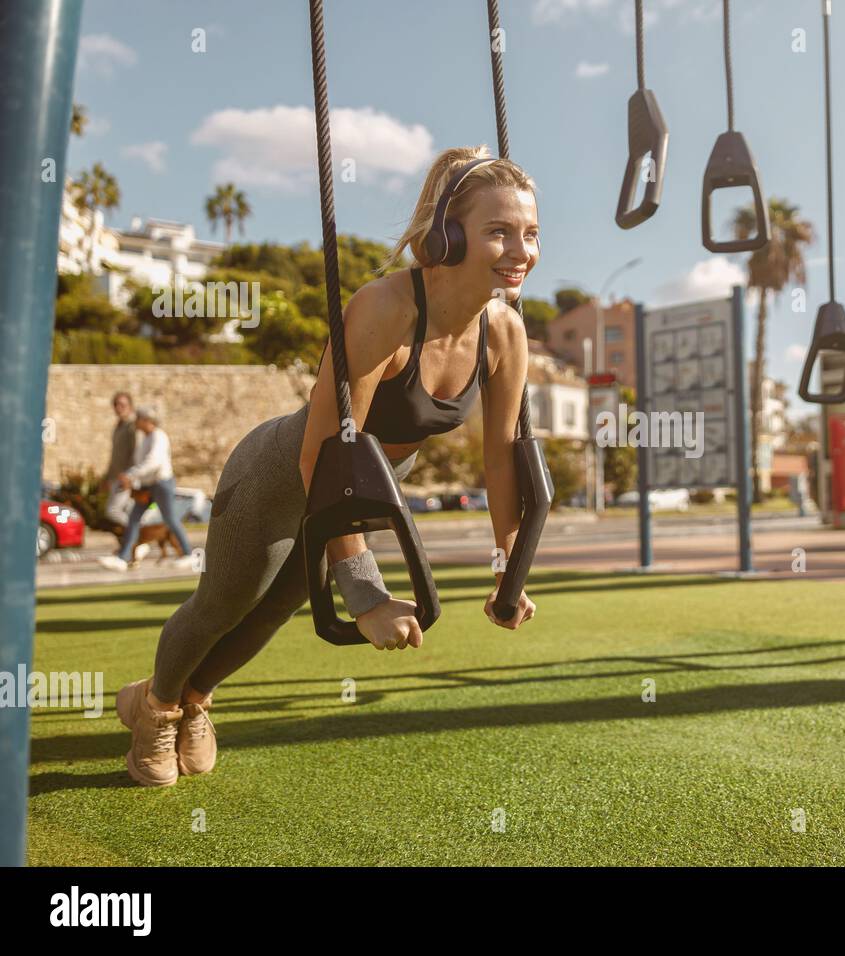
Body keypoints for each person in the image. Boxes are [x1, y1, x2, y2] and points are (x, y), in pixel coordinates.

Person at [115, 146, 540, 786]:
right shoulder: (386, 308)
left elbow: (503, 458)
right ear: (450, 233)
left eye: (531, 233)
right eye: (499, 232)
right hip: (287, 469)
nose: (520, 250)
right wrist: (366, 592)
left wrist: (509, 566)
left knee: (272, 610)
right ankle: (156, 709)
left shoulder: (504, 333)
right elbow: (324, 450)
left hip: (358, 487)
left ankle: (193, 699)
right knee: (227, 601)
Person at [98, 405, 194, 571]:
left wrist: (130, 475)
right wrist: (132, 479)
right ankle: (123, 557)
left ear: (147, 420)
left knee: (170, 519)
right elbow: (141, 463)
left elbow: (153, 462)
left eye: (139, 419)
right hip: (147, 485)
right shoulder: (146, 439)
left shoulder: (159, 437)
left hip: (161, 484)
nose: (136, 422)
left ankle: (188, 554)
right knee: (133, 519)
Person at [101, 391, 136, 527]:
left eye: (122, 405)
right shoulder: (117, 428)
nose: (119, 408)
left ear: (130, 406)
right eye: (116, 405)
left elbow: (135, 453)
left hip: (126, 478)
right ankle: (133, 543)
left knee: (113, 511)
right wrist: (107, 478)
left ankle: (138, 536)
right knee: (128, 511)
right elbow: (115, 456)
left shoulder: (132, 427)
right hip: (117, 478)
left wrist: (130, 476)